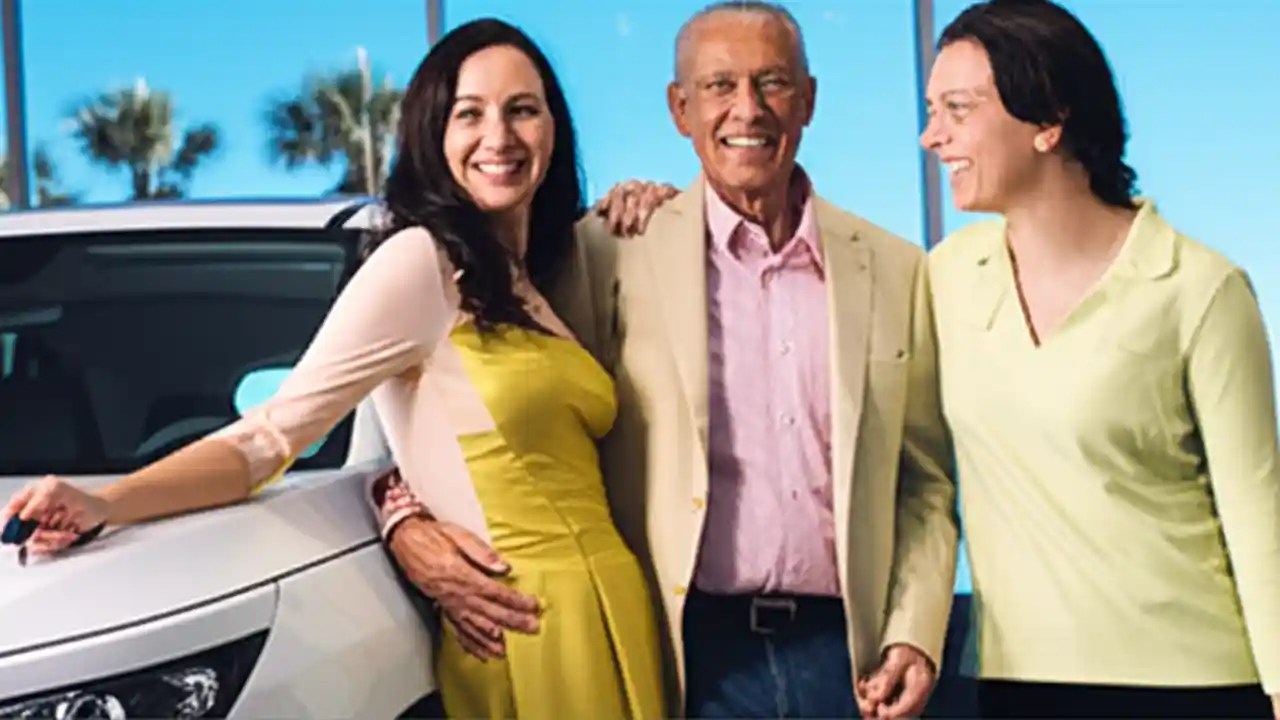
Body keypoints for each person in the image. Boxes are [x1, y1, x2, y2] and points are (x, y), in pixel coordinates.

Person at [1, 18, 665, 720]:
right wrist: (109, 502)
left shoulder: (545, 278)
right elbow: (270, 435)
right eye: (468, 113)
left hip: (611, 610)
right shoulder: (419, 262)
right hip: (521, 623)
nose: (498, 136)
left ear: (553, 129)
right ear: (432, 136)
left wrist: (650, 202)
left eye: (522, 109)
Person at [377, 2, 960, 718]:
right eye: (718, 86)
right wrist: (400, 515)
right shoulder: (608, 251)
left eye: (772, 82)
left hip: (851, 661)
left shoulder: (899, 270)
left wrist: (915, 634)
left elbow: (924, 484)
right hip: (678, 653)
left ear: (808, 100)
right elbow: (482, 401)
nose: (747, 109)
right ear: (679, 109)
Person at [917, 1, 1280, 717]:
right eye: (933, 109)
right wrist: (667, 211)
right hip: (1014, 685)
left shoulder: (1199, 288)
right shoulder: (943, 279)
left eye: (958, 108)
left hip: (1196, 684)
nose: (933, 136)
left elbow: (1257, 511)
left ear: (1049, 119)